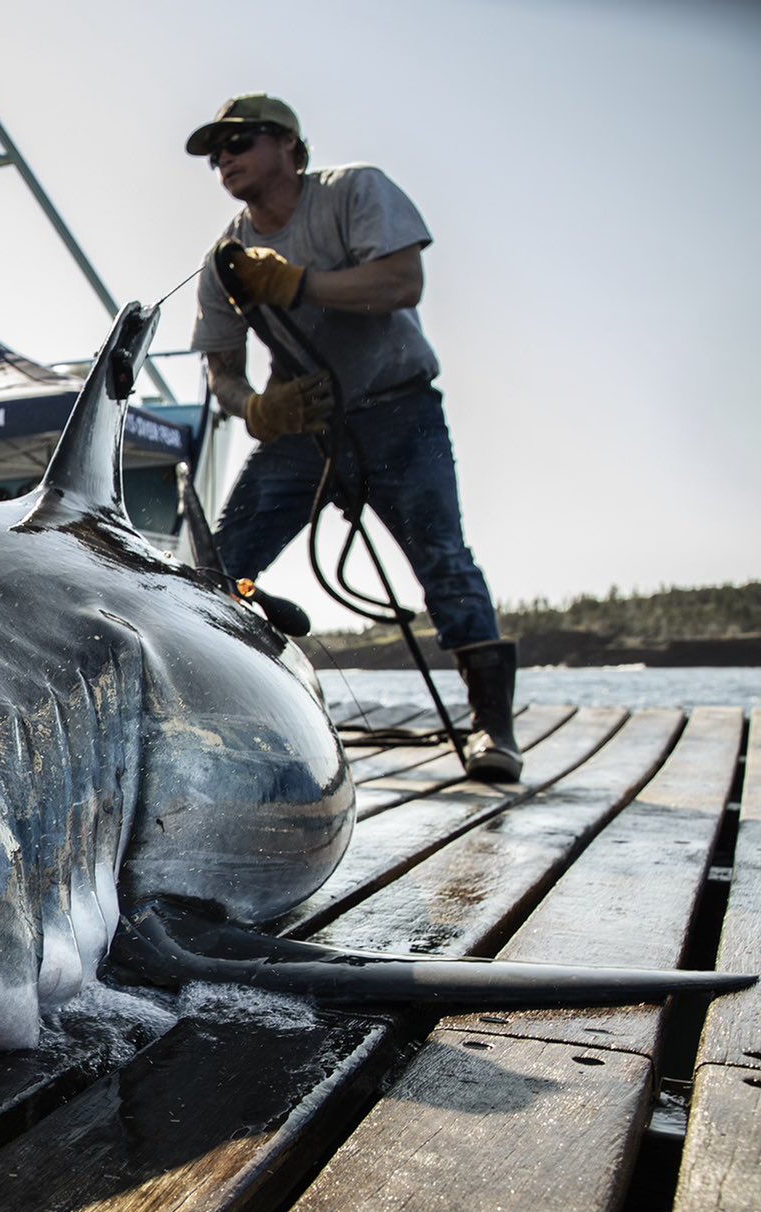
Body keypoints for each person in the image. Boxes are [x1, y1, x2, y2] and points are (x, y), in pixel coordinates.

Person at [186, 93, 519, 782]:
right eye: (216, 150)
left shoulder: (353, 191)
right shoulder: (224, 262)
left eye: (240, 141)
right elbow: (222, 373)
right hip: (303, 427)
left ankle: (493, 731)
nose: (225, 157)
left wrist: (301, 283)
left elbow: (403, 281)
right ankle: (210, 725)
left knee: (443, 561)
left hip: (400, 413)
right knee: (215, 570)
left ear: (289, 146)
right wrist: (257, 410)